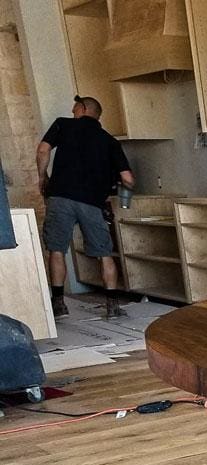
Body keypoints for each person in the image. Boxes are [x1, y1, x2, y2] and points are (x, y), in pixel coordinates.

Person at [35, 96, 134, 319]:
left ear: (83, 108)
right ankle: (112, 306)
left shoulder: (63, 124)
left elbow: (43, 150)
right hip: (92, 202)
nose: (72, 110)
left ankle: (59, 304)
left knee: (57, 249)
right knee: (104, 253)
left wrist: (42, 177)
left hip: (60, 196)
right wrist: (121, 191)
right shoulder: (109, 141)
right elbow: (128, 179)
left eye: (75, 108)